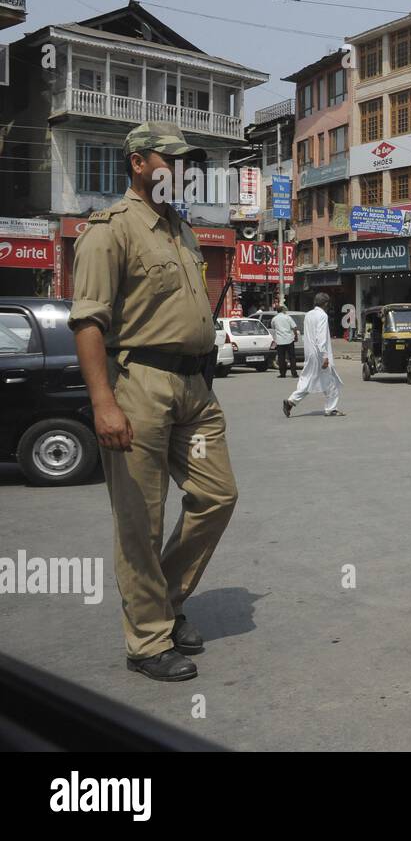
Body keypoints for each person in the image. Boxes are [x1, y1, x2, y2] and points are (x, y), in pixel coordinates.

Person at [69, 121, 239, 682]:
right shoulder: (109, 230)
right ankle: (147, 642)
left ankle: (163, 601)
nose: (184, 172)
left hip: (194, 388)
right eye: (173, 161)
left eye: (189, 164)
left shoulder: (182, 229)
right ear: (140, 162)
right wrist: (104, 404)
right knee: (140, 519)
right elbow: (88, 322)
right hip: (138, 383)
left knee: (217, 496)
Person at [284, 292, 344, 417]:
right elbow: (321, 337)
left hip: (310, 353)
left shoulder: (309, 315)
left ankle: (291, 401)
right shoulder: (322, 315)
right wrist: (325, 356)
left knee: (309, 379)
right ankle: (331, 408)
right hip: (319, 353)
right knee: (331, 380)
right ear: (326, 304)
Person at [270, 305, 300, 378]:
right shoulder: (288, 317)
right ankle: (294, 373)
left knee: (281, 358)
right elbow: (294, 327)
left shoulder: (274, 319)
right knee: (292, 357)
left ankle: (282, 374)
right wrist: (296, 336)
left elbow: (273, 327)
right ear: (283, 310)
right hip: (289, 339)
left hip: (280, 341)